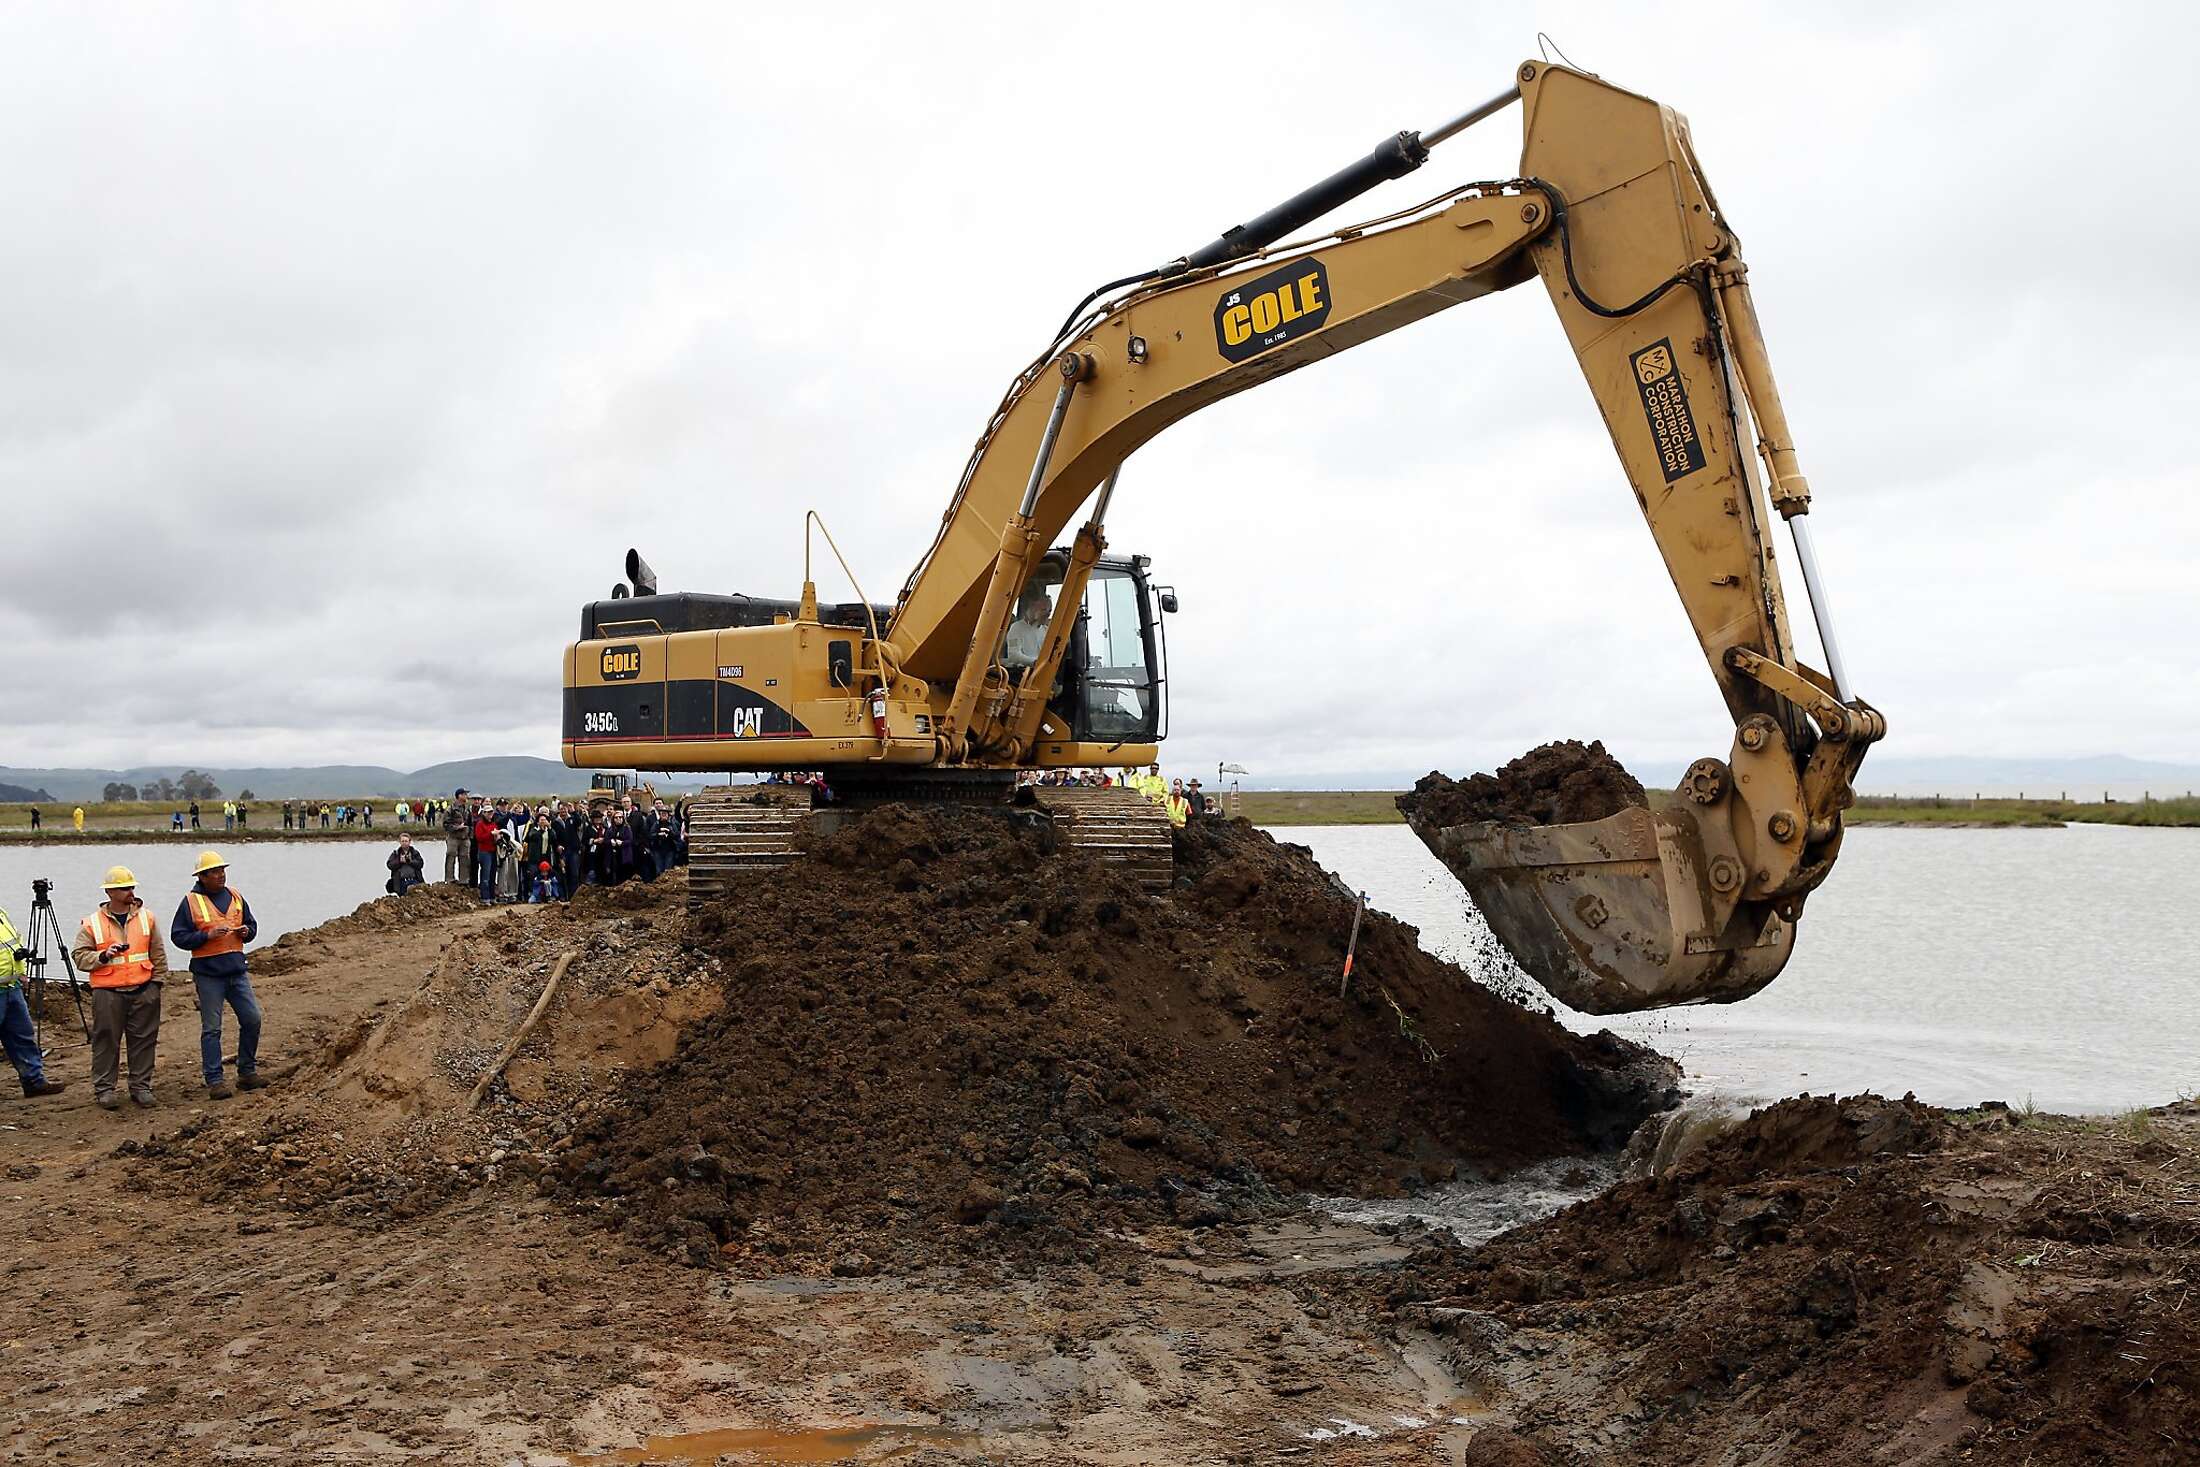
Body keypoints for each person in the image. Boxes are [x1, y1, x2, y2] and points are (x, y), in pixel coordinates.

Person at [169, 851, 263, 1101]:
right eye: (215, 872)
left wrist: (247, 932)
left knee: (252, 1019)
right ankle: (215, 1080)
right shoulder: (190, 902)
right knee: (212, 1028)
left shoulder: (235, 896)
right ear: (202, 876)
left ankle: (247, 1071)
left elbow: (252, 925)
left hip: (237, 972)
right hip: (209, 975)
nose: (221, 875)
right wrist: (206, 936)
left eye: (222, 871)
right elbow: (178, 936)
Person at [72, 866, 168, 1110]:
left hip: (143, 990)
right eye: (124, 888)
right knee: (106, 1042)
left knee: (144, 1041)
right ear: (110, 892)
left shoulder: (147, 918)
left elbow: (158, 952)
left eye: (131, 887)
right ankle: (105, 1090)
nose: (130, 892)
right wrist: (103, 956)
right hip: (108, 992)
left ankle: (141, 1087)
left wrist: (156, 984)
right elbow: (80, 957)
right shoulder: (92, 923)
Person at [0, 901, 66, 1099]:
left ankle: (34, 1082)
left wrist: (20, 971)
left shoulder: (1, 914)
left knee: (22, 1036)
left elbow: (11, 946)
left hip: (11, 987)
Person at [1001, 588, 1051, 679]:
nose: (1048, 615)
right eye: (1044, 610)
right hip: (1022, 675)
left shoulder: (1046, 630)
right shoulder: (1016, 628)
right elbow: (1014, 655)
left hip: (1041, 674)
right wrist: (1035, 662)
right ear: (1032, 608)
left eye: (1049, 611)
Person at [444, 788, 473, 885]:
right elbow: (445, 824)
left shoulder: (467, 809)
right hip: (453, 838)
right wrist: (456, 827)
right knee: (451, 857)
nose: (466, 796)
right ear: (459, 796)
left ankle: (464, 880)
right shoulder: (450, 808)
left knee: (465, 859)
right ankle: (449, 879)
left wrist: (470, 835)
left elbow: (471, 823)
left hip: (465, 838)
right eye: (465, 794)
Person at [473, 803, 499, 903]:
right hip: (484, 852)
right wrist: (490, 834)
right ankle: (485, 897)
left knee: (492, 875)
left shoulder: (494, 824)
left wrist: (497, 837)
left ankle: (492, 897)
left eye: (491, 812)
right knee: (485, 876)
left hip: (493, 851)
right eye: (488, 812)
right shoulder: (480, 824)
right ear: (483, 813)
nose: (490, 814)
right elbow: (479, 838)